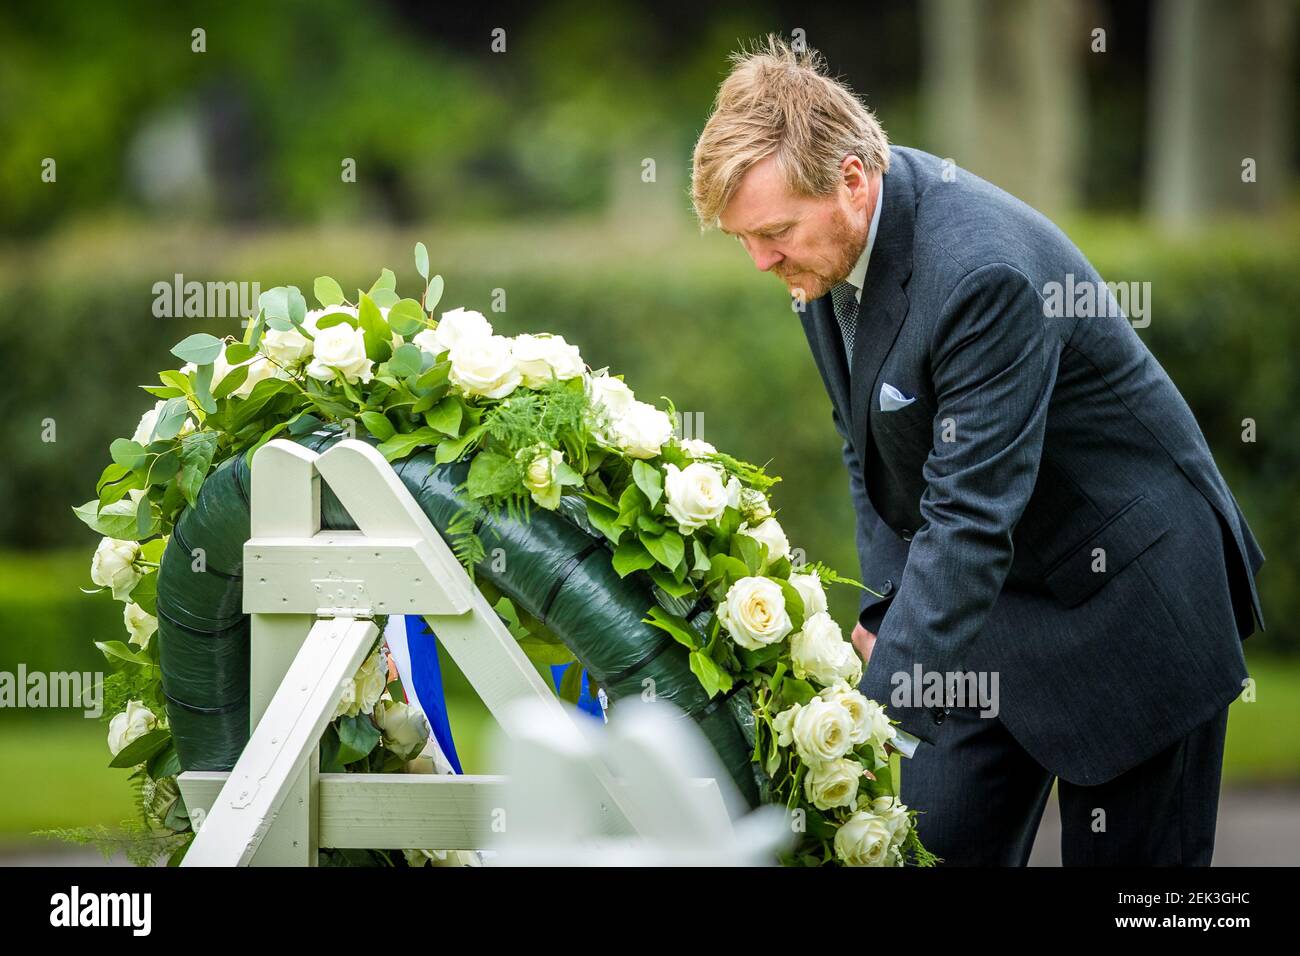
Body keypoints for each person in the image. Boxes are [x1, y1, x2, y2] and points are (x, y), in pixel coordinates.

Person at [689, 36, 1264, 865]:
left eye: (774, 231)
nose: (761, 260)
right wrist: (887, 615)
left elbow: (968, 513)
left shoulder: (980, 272)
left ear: (852, 178)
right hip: (985, 614)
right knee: (920, 850)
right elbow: (871, 450)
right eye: (744, 238)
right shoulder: (826, 257)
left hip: (1131, 606)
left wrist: (866, 721)